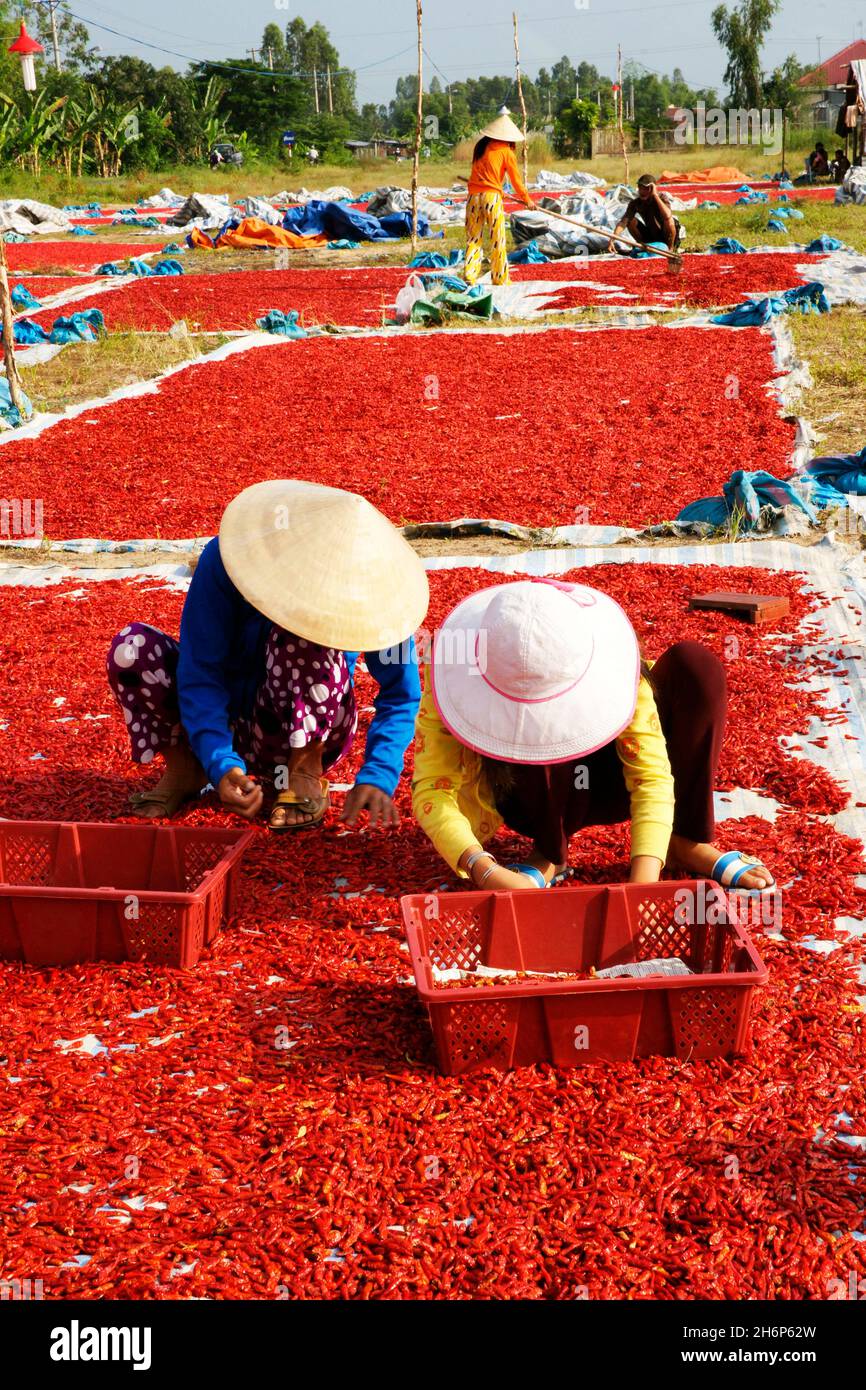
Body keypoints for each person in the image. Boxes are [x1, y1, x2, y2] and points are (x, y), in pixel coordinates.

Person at [412, 578, 774, 895]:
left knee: (696, 667)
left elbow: (651, 776)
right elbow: (432, 788)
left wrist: (642, 886)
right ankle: (549, 850)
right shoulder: (450, 681)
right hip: (521, 792)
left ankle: (684, 841)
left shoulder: (615, 668)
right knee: (535, 734)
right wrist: (483, 868)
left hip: (608, 782)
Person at [107, 480, 428, 832]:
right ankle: (187, 769)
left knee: (303, 638)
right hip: (224, 721)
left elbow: (401, 694)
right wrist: (220, 761)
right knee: (132, 648)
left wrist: (378, 773)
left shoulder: (376, 592)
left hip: (308, 729)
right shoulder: (227, 559)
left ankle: (302, 772)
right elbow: (200, 670)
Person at [464, 106, 535, 287]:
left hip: (473, 197)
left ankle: (470, 275)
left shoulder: (480, 147)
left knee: (474, 238)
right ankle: (500, 277)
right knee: (497, 238)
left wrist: (498, 188)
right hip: (491, 199)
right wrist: (527, 200)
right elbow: (517, 182)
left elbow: (482, 175)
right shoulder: (506, 152)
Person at [608, 174, 681, 254]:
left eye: (646, 188)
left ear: (653, 189)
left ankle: (670, 250)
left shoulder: (661, 198)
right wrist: (613, 238)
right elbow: (623, 222)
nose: (642, 191)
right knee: (631, 220)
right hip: (651, 235)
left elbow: (668, 216)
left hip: (666, 237)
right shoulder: (635, 203)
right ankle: (643, 246)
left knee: (671, 221)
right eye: (640, 188)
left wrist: (655, 195)